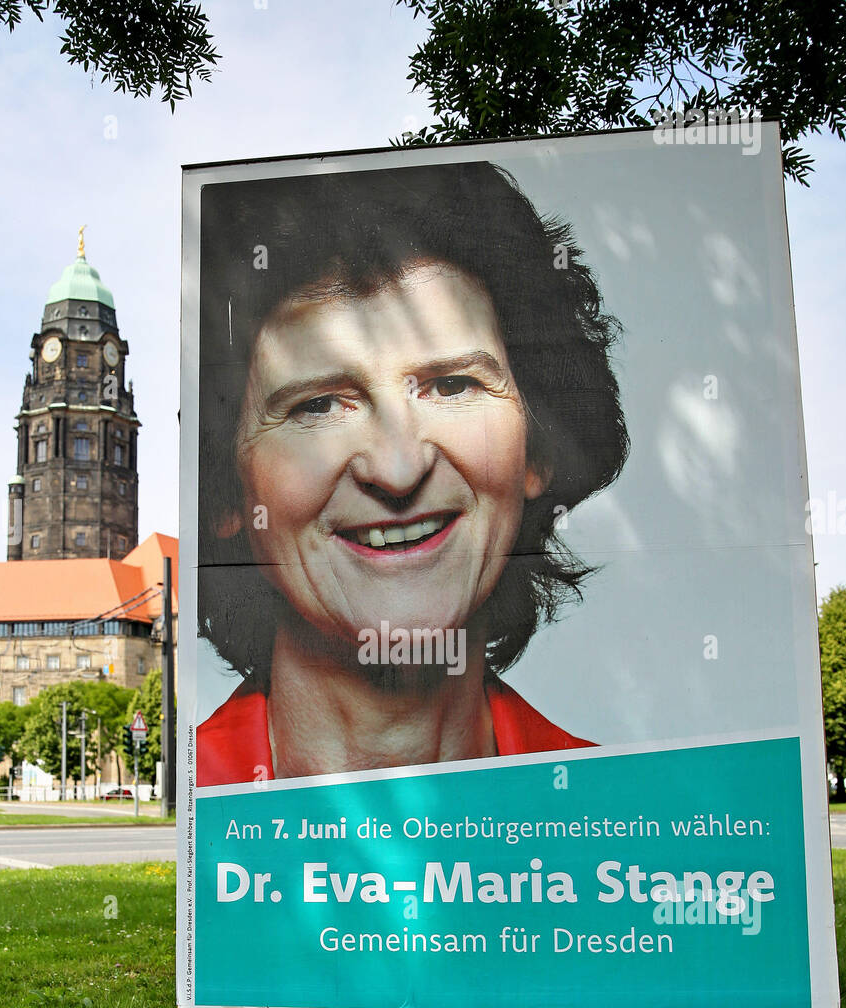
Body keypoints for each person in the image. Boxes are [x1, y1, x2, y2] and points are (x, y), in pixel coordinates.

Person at [196, 160, 628, 785]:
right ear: (227, 494)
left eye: (452, 385)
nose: (398, 469)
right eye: (318, 405)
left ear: (538, 449)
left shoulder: (626, 824)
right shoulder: (176, 833)